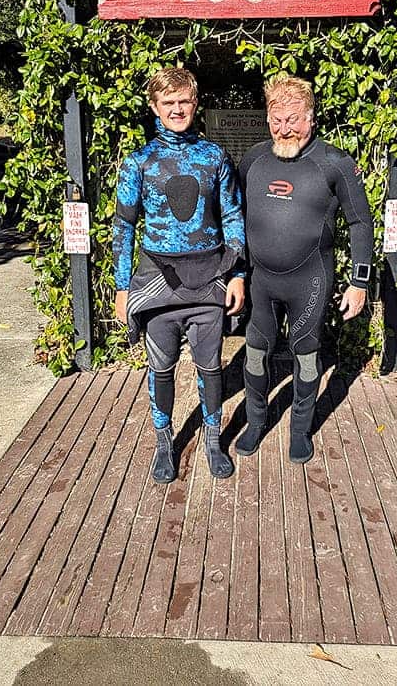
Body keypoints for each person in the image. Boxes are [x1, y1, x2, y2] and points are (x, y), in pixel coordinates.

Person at [113, 67, 245, 484]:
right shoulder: (140, 163)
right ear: (154, 107)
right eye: (167, 103)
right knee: (161, 369)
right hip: (158, 281)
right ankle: (163, 442)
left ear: (195, 103)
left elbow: (232, 215)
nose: (176, 109)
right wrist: (121, 287)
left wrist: (237, 273)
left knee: (210, 368)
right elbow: (123, 226)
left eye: (183, 101)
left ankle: (211, 440)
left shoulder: (214, 157)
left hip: (208, 278)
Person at [235, 73, 374, 464]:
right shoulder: (254, 160)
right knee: (255, 354)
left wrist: (359, 282)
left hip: (310, 279)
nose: (285, 129)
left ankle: (300, 429)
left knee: (307, 355)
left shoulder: (335, 163)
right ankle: (256, 423)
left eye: (294, 119)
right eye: (277, 120)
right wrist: (232, 273)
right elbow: (233, 216)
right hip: (261, 280)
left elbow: (360, 223)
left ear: (311, 118)